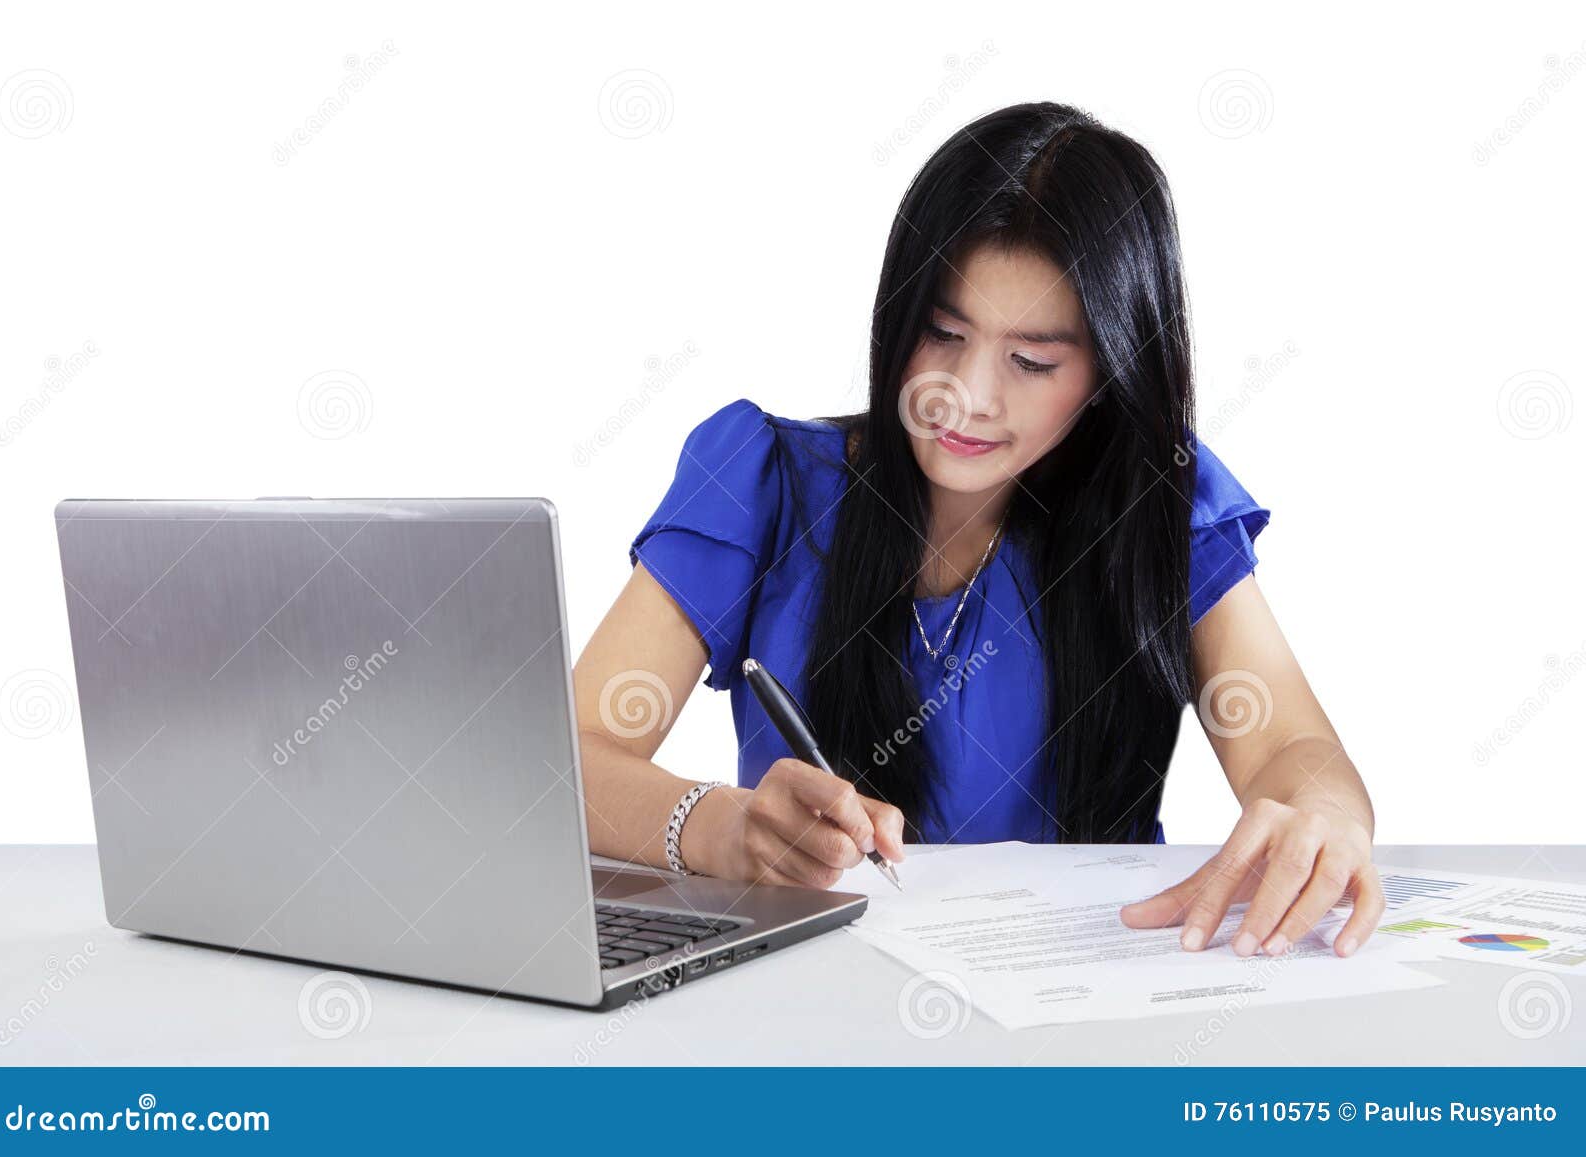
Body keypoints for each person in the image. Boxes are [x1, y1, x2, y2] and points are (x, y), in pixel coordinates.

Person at [572, 101, 1383, 959]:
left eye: (1032, 361)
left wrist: (1322, 815)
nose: (966, 394)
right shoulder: (765, 482)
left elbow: (1290, 745)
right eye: (942, 332)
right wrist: (714, 828)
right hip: (817, 1003)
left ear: (1111, 367)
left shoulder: (1159, 508)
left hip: (1089, 1005)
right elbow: (562, 759)